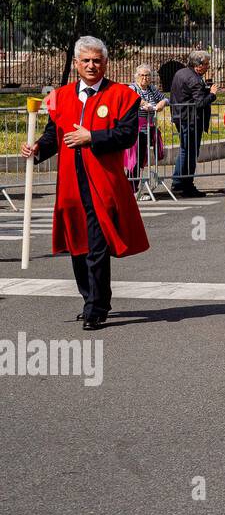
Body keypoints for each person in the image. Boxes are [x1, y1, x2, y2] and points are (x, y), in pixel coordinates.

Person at [21, 36, 149, 329]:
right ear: (77, 64)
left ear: (106, 63)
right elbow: (55, 135)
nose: (92, 65)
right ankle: (90, 296)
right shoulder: (62, 97)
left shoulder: (122, 96)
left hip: (103, 183)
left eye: (97, 60)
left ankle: (96, 306)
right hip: (70, 183)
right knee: (78, 244)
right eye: (86, 61)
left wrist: (92, 137)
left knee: (96, 245)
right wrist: (38, 147)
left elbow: (127, 135)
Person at [169, 50, 218, 197]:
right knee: (190, 152)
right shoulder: (194, 79)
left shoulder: (181, 73)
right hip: (190, 120)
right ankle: (185, 184)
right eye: (206, 64)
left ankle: (179, 182)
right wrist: (212, 94)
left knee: (185, 150)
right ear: (198, 65)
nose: (208, 67)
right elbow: (200, 103)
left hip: (180, 116)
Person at [128, 64, 167, 191]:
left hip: (148, 128)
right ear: (137, 76)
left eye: (147, 75)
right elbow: (130, 99)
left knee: (141, 158)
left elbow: (165, 98)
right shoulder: (132, 88)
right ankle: (130, 186)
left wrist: (162, 103)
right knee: (133, 159)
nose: (145, 78)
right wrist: (143, 103)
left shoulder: (151, 88)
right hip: (135, 128)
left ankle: (135, 186)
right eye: (142, 75)